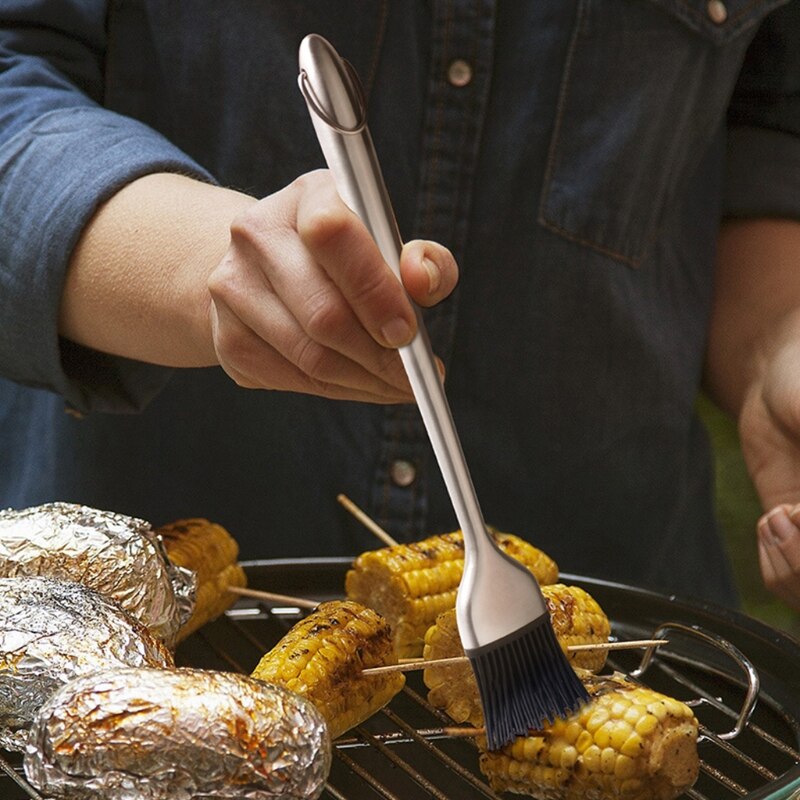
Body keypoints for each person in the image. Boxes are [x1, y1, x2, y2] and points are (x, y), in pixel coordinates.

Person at [0, 2, 798, 612]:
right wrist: (209, 261)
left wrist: (775, 354)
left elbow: (769, 133)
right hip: (139, 606)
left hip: (624, 598)